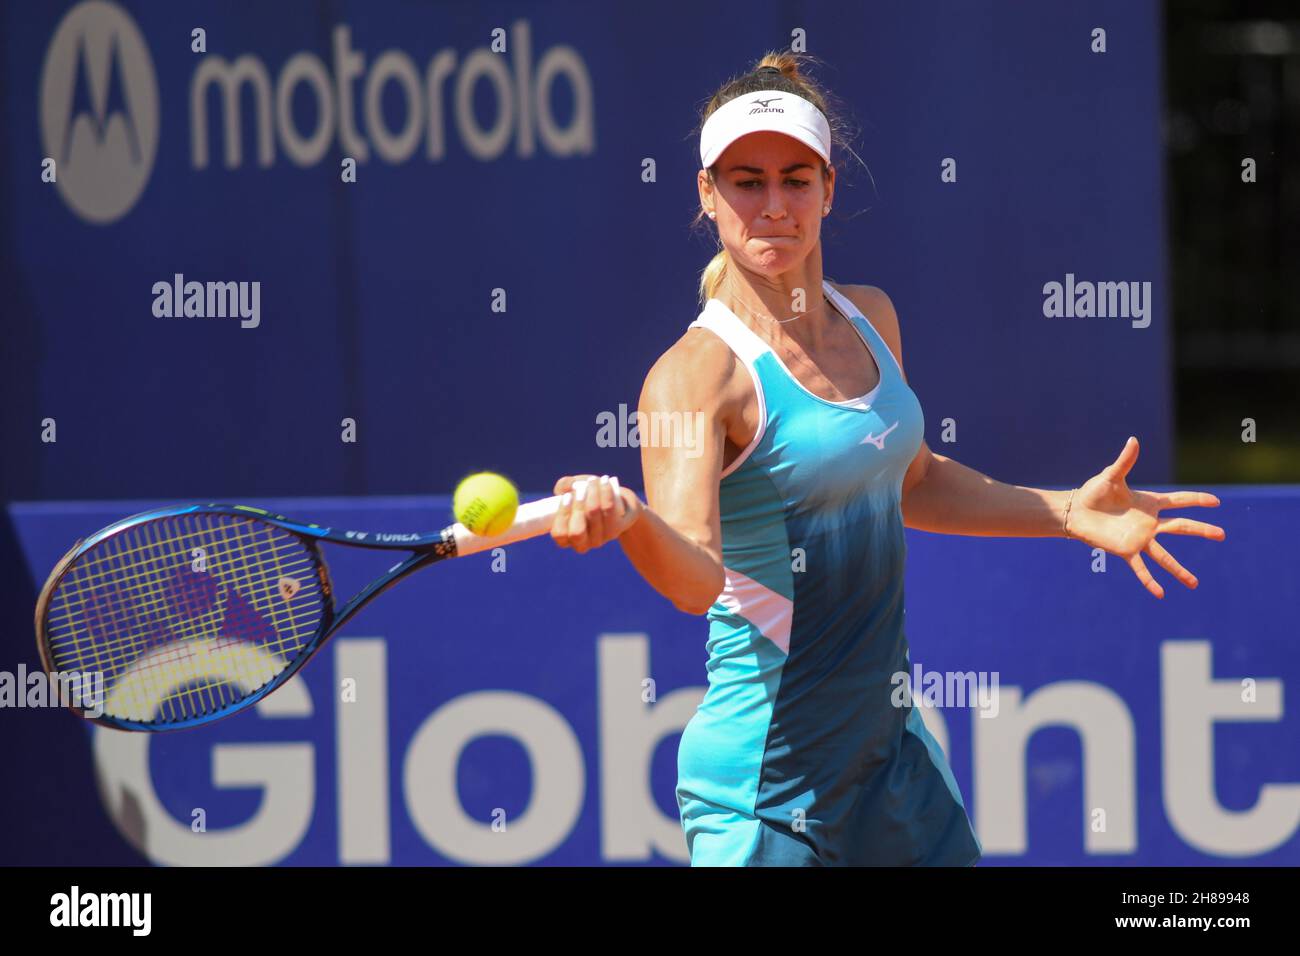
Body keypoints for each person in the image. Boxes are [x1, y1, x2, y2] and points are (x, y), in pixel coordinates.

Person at [548, 53, 1226, 866]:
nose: (772, 206)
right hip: (764, 791)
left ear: (829, 188)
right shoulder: (692, 378)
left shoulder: (870, 318)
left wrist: (1070, 512)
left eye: (795, 180)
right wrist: (629, 521)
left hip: (891, 763)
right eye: (746, 182)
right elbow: (697, 579)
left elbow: (913, 479)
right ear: (706, 194)